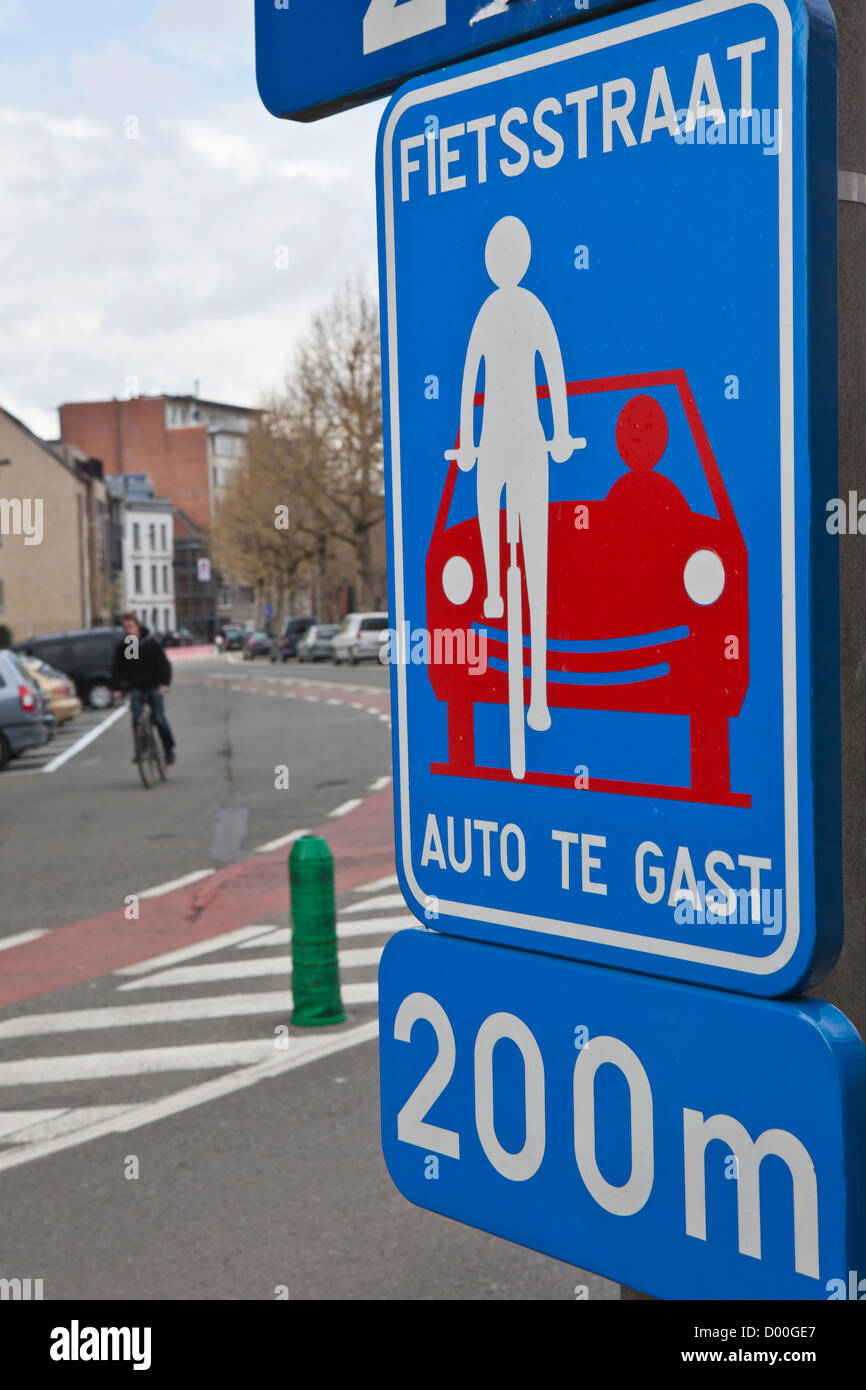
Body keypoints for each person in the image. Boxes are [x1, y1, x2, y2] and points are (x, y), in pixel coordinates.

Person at [446, 214, 584, 732]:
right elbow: (554, 373)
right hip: (525, 440)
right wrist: (563, 433)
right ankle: (500, 601)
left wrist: (466, 442)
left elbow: (470, 381)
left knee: (489, 505)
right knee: (535, 557)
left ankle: (494, 592)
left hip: (504, 441)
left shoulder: (500, 309)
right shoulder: (528, 307)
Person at [111, 613, 176, 764]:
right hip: (136, 687)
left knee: (159, 719)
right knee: (136, 718)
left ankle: (168, 749)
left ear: (137, 626)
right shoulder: (129, 644)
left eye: (131, 626)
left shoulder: (150, 642)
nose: (128, 630)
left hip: (153, 685)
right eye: (125, 627)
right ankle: (142, 748)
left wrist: (165, 683)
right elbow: (120, 669)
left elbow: (163, 664)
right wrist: (117, 687)